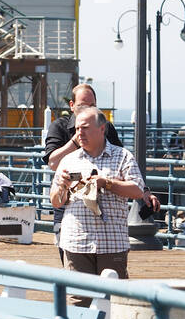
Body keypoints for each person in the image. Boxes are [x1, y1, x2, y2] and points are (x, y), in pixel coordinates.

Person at [49, 105, 159, 292]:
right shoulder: (68, 160)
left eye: (84, 128)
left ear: (102, 129)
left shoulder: (123, 156)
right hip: (77, 242)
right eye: (76, 129)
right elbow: (56, 201)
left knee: (113, 300)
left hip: (111, 243)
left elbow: (137, 190)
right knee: (78, 300)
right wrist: (63, 186)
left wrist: (107, 183)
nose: (79, 134)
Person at [42, 82, 126, 256]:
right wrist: (77, 138)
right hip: (69, 211)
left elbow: (123, 161)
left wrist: (145, 191)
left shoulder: (105, 127)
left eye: (92, 106)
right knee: (72, 267)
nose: (87, 109)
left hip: (104, 212)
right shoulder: (59, 126)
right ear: (72, 106)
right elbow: (52, 163)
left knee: (105, 270)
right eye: (82, 106)